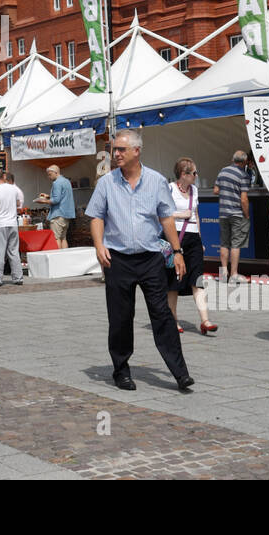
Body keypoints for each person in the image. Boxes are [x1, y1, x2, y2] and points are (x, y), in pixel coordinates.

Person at [87, 129, 194, 392]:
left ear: (137, 151)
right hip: (118, 260)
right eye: (114, 150)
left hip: (150, 259)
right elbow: (96, 216)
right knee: (121, 318)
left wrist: (177, 252)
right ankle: (121, 371)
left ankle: (180, 373)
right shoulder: (106, 183)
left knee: (162, 315)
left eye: (121, 149)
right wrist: (99, 246)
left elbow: (166, 218)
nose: (116, 154)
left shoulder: (156, 181)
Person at [168, 157, 216, 335]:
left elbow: (196, 214)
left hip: (193, 237)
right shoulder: (169, 189)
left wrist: (201, 240)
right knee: (174, 281)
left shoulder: (194, 190)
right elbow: (160, 213)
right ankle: (173, 319)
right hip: (175, 237)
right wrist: (180, 214)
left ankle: (205, 319)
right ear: (183, 174)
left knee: (197, 279)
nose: (196, 176)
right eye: (194, 173)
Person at [212, 151, 252, 284]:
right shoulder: (244, 175)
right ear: (244, 162)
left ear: (232, 159)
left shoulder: (223, 171)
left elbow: (216, 190)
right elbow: (244, 199)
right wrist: (246, 215)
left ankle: (223, 273)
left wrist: (226, 192)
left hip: (223, 212)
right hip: (236, 213)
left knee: (224, 243)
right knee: (236, 244)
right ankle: (234, 274)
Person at [0, 170, 24, 286]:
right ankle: (18, 277)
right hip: (12, 223)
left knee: (0, 252)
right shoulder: (13, 189)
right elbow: (18, 203)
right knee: (13, 251)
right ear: (3, 176)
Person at [37, 165, 75, 248]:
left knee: (56, 238)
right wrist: (48, 196)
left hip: (58, 214)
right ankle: (65, 258)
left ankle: (58, 259)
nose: (49, 177)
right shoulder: (66, 181)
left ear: (56, 172)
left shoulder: (56, 183)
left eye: (50, 174)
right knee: (63, 238)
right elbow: (62, 197)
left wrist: (43, 201)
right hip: (66, 214)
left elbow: (56, 200)